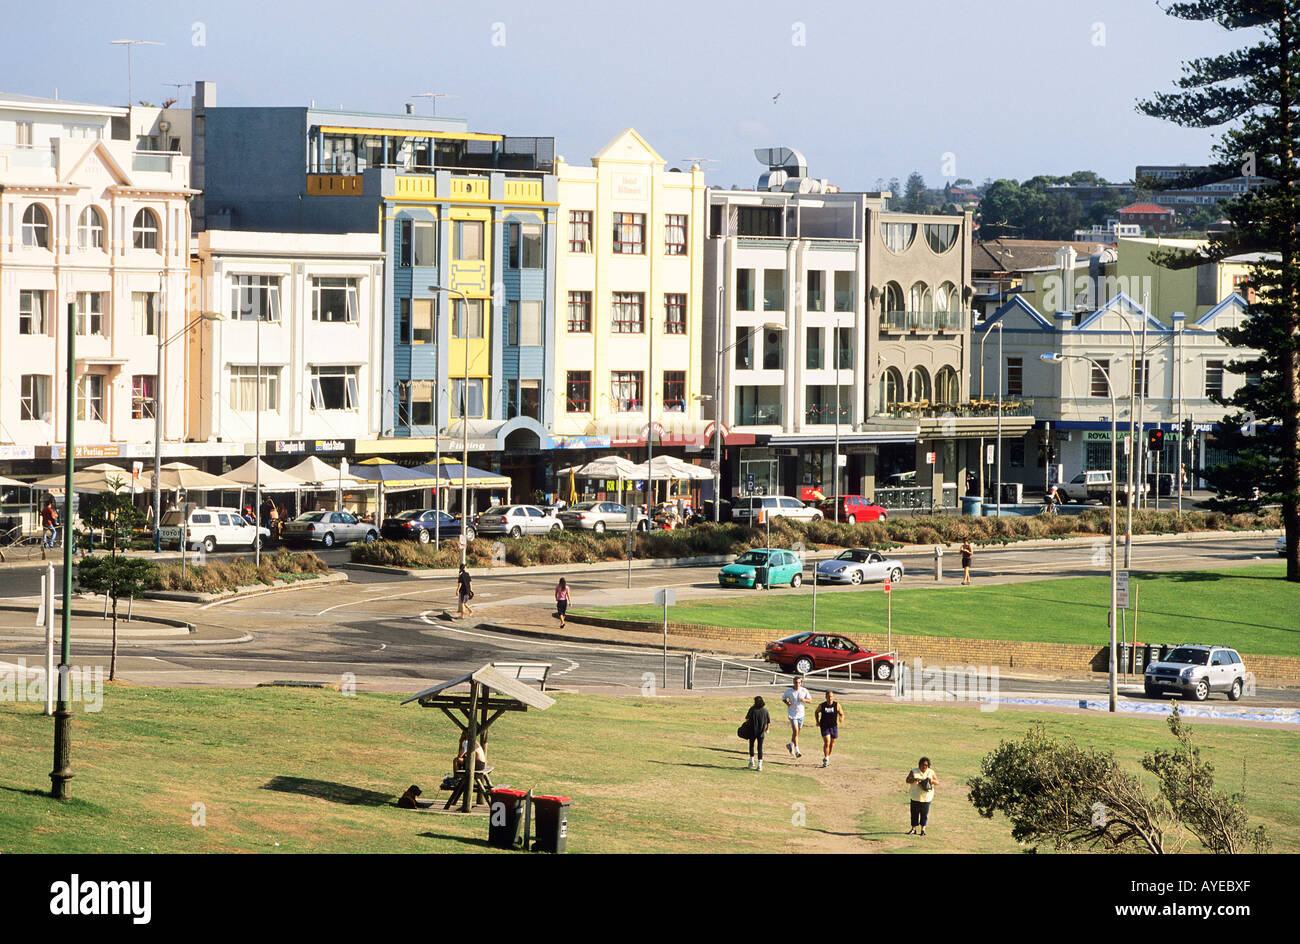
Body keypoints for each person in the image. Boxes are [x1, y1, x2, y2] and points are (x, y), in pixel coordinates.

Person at [906, 757, 940, 836]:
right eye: (922, 765)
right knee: (914, 814)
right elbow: (907, 780)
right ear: (919, 765)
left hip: (926, 798)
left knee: (924, 814)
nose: (924, 767)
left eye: (926, 765)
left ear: (928, 766)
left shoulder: (931, 772)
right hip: (915, 796)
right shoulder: (914, 771)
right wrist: (914, 779)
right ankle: (913, 829)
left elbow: (937, 782)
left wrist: (931, 781)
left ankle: (923, 829)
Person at [781, 676, 812, 758]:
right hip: (792, 714)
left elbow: (810, 700)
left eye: (799, 682)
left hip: (801, 714)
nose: (797, 684)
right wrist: (787, 703)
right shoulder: (789, 691)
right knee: (795, 731)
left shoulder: (804, 691)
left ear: (801, 683)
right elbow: (783, 698)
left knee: (797, 733)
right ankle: (797, 750)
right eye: (796, 682)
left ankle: (790, 744)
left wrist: (804, 700)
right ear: (793, 683)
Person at [814, 690, 844, 768]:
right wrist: (817, 721)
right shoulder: (822, 705)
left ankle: (827, 757)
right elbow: (816, 712)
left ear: (833, 697)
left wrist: (841, 718)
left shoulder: (837, 705)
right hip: (824, 726)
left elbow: (841, 713)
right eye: (828, 696)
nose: (829, 698)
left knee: (832, 744)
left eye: (831, 696)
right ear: (825, 697)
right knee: (827, 742)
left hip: (833, 726)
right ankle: (826, 759)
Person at [744, 696, 770, 771]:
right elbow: (768, 722)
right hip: (761, 732)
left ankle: (751, 761)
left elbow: (747, 719)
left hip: (752, 731)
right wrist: (767, 729)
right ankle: (759, 765)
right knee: (760, 748)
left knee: (751, 745)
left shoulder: (752, 709)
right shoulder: (765, 711)